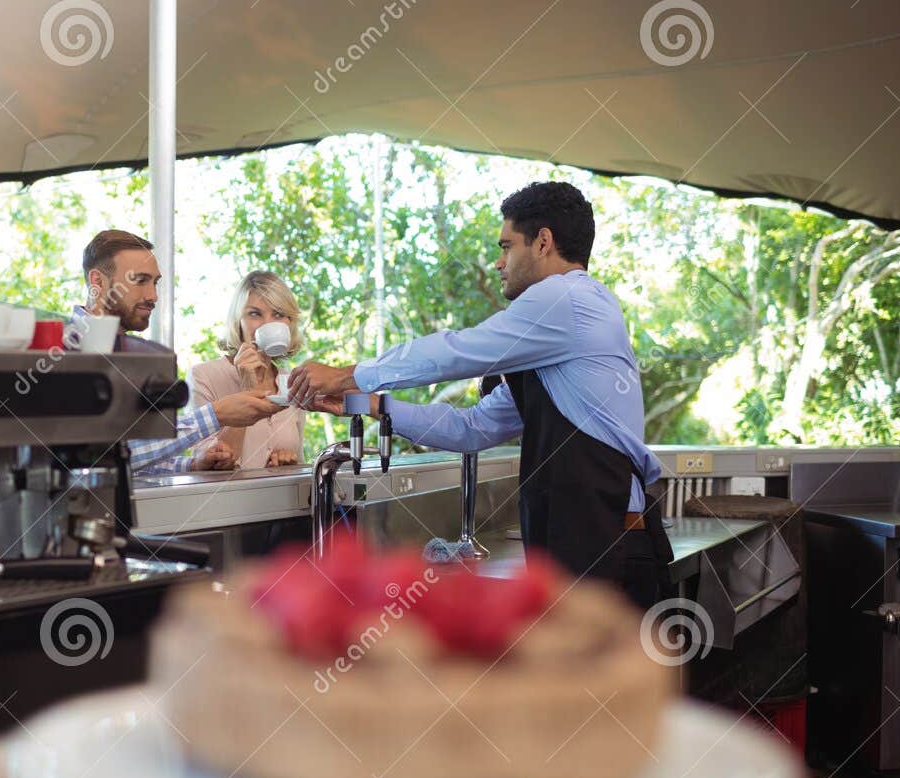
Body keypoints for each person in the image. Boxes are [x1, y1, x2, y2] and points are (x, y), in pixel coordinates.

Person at [288, 182, 671, 609]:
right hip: (587, 547)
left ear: (543, 242)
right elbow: (473, 428)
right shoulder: (553, 340)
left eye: (507, 246)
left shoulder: (567, 299)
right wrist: (370, 404)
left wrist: (348, 375)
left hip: (609, 552)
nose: (498, 262)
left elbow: (457, 350)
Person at [70, 230, 279, 473]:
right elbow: (92, 457)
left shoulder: (124, 355)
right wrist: (216, 414)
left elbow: (134, 456)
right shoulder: (64, 352)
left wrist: (192, 464)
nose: (153, 296)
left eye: (155, 282)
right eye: (139, 280)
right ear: (97, 282)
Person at [183, 271, 307, 471]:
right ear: (238, 321)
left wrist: (290, 464)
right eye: (255, 314)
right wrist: (247, 389)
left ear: (289, 323)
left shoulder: (291, 382)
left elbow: (299, 464)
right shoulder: (202, 376)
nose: (268, 324)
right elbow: (212, 466)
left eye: (278, 314)